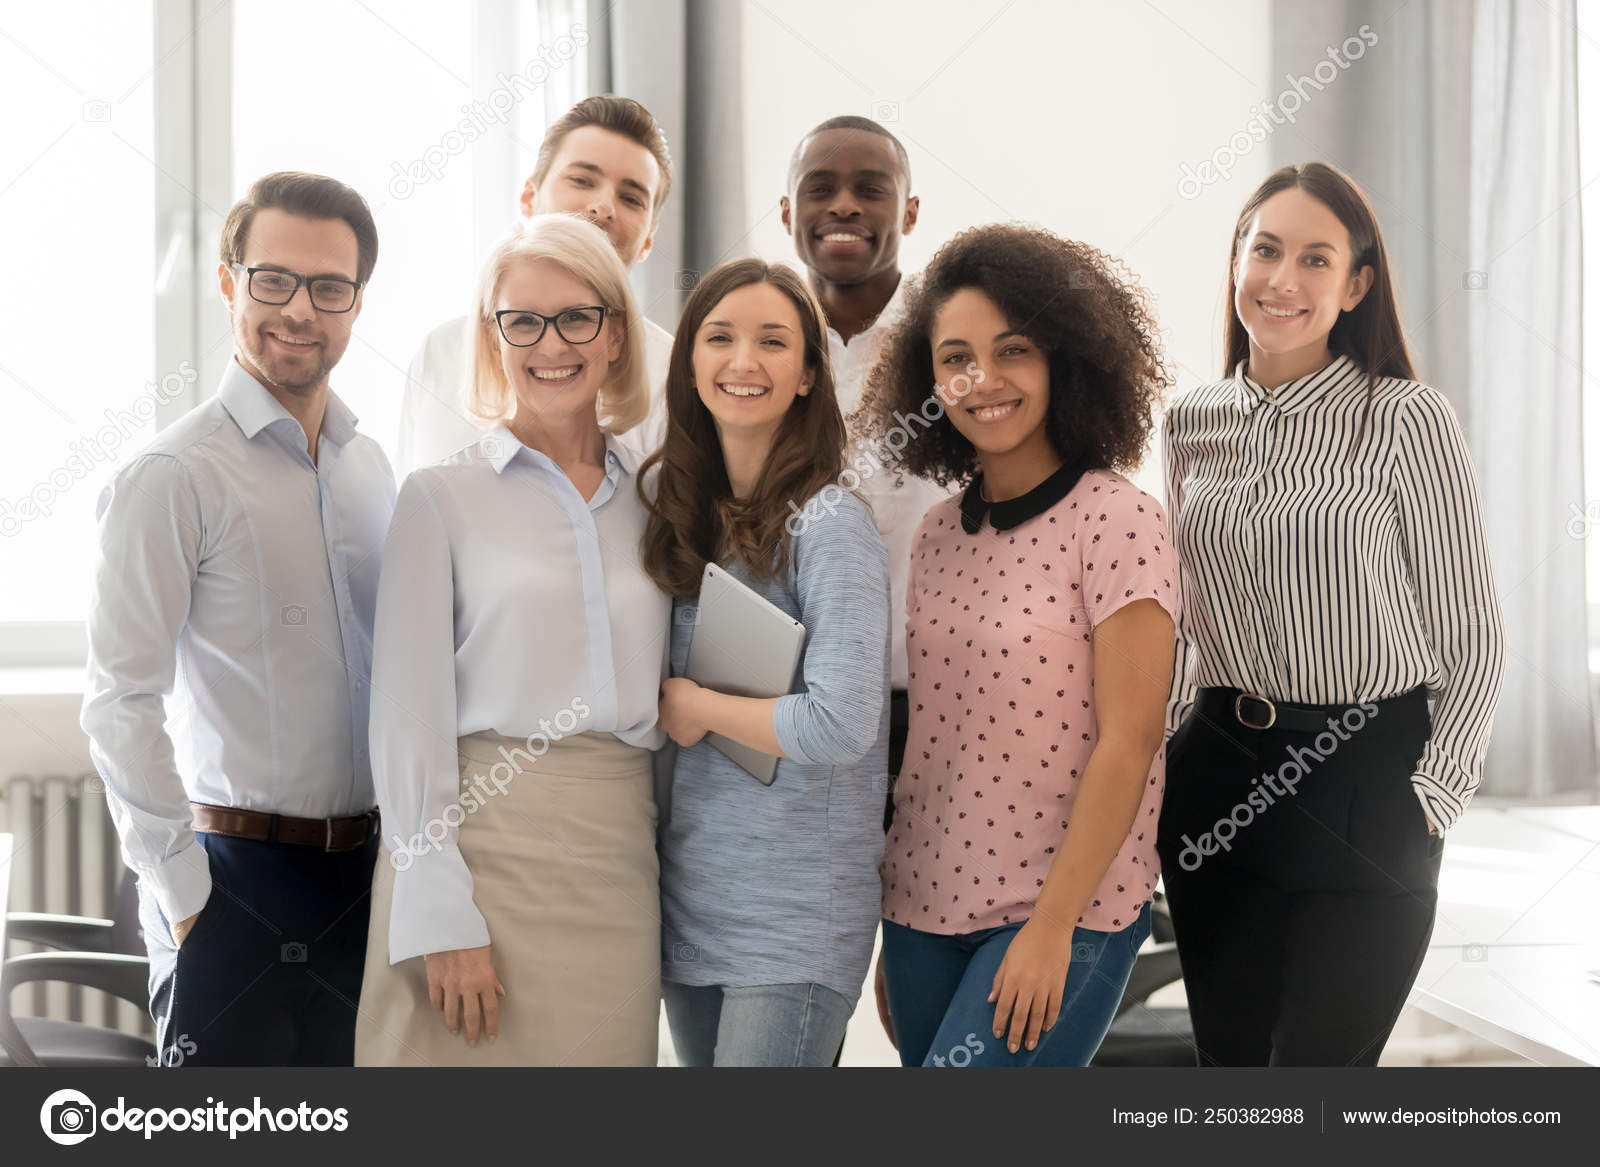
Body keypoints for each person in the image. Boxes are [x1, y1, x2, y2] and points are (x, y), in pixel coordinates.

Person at [1156, 161, 1507, 1066]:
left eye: (1316, 260)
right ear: (1235, 259)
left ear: (1355, 286)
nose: (1283, 279)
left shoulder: (1406, 419)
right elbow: (1188, 627)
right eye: (1265, 249)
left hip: (1367, 779)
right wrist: (1161, 770)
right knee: (1232, 1077)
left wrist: (1433, 795)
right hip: (1217, 778)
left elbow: (1472, 629)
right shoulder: (1189, 421)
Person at [81, 172, 394, 1066]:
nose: (299, 309)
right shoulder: (171, 476)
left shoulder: (374, 470)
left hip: (366, 885)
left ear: (357, 303)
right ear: (229, 282)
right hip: (232, 884)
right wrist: (188, 898)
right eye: (273, 279)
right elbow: (117, 704)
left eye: (328, 287)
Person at [857, 224, 1177, 1066]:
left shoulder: (1118, 520)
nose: (982, 380)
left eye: (1012, 351)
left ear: (1064, 360)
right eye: (955, 357)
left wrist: (1051, 928)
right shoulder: (934, 535)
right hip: (924, 905)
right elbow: (935, 738)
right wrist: (901, 919)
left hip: (1063, 909)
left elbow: (1132, 739)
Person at [355, 213, 668, 1066]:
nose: (548, 343)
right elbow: (404, 718)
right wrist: (438, 903)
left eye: (576, 316)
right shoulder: (439, 498)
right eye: (520, 320)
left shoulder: (660, 497)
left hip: (616, 863)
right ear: (493, 340)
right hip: (479, 850)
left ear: (614, 334)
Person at [640, 258, 890, 1066]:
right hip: (695, 901)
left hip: (794, 917)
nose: (744, 361)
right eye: (720, 337)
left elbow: (841, 722)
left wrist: (701, 708)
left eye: (774, 341)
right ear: (689, 363)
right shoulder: (683, 519)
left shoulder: (830, 523)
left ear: (810, 375)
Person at [782, 116, 951, 822]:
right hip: (791, 706)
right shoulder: (758, 346)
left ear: (908, 211)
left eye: (870, 190)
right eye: (820, 189)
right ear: (789, 213)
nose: (844, 206)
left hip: (942, 708)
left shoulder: (954, 343)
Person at [396, 95, 676, 475]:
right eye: (581, 179)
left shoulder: (673, 378)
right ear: (529, 197)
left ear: (648, 239)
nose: (603, 206)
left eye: (631, 198)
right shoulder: (439, 355)